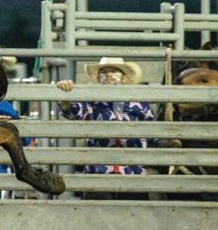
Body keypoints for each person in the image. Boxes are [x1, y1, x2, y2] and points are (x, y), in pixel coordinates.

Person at [56, 57, 156, 189]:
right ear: (98, 78)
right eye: (104, 72)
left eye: (114, 71)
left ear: (124, 78)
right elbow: (72, 110)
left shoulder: (141, 105)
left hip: (133, 174)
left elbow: (154, 135)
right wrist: (65, 94)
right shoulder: (91, 103)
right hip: (98, 174)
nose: (109, 75)